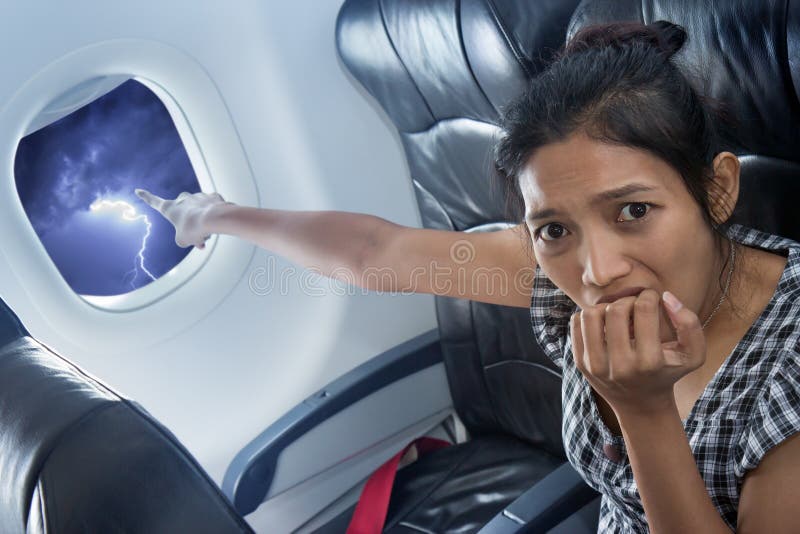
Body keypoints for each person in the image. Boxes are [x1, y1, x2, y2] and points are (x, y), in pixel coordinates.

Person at [135, 20, 800, 533]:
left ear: (716, 191)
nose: (596, 271)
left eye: (633, 211)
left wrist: (643, 413)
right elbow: (376, 254)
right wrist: (218, 217)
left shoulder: (787, 365)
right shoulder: (551, 271)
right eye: (554, 229)